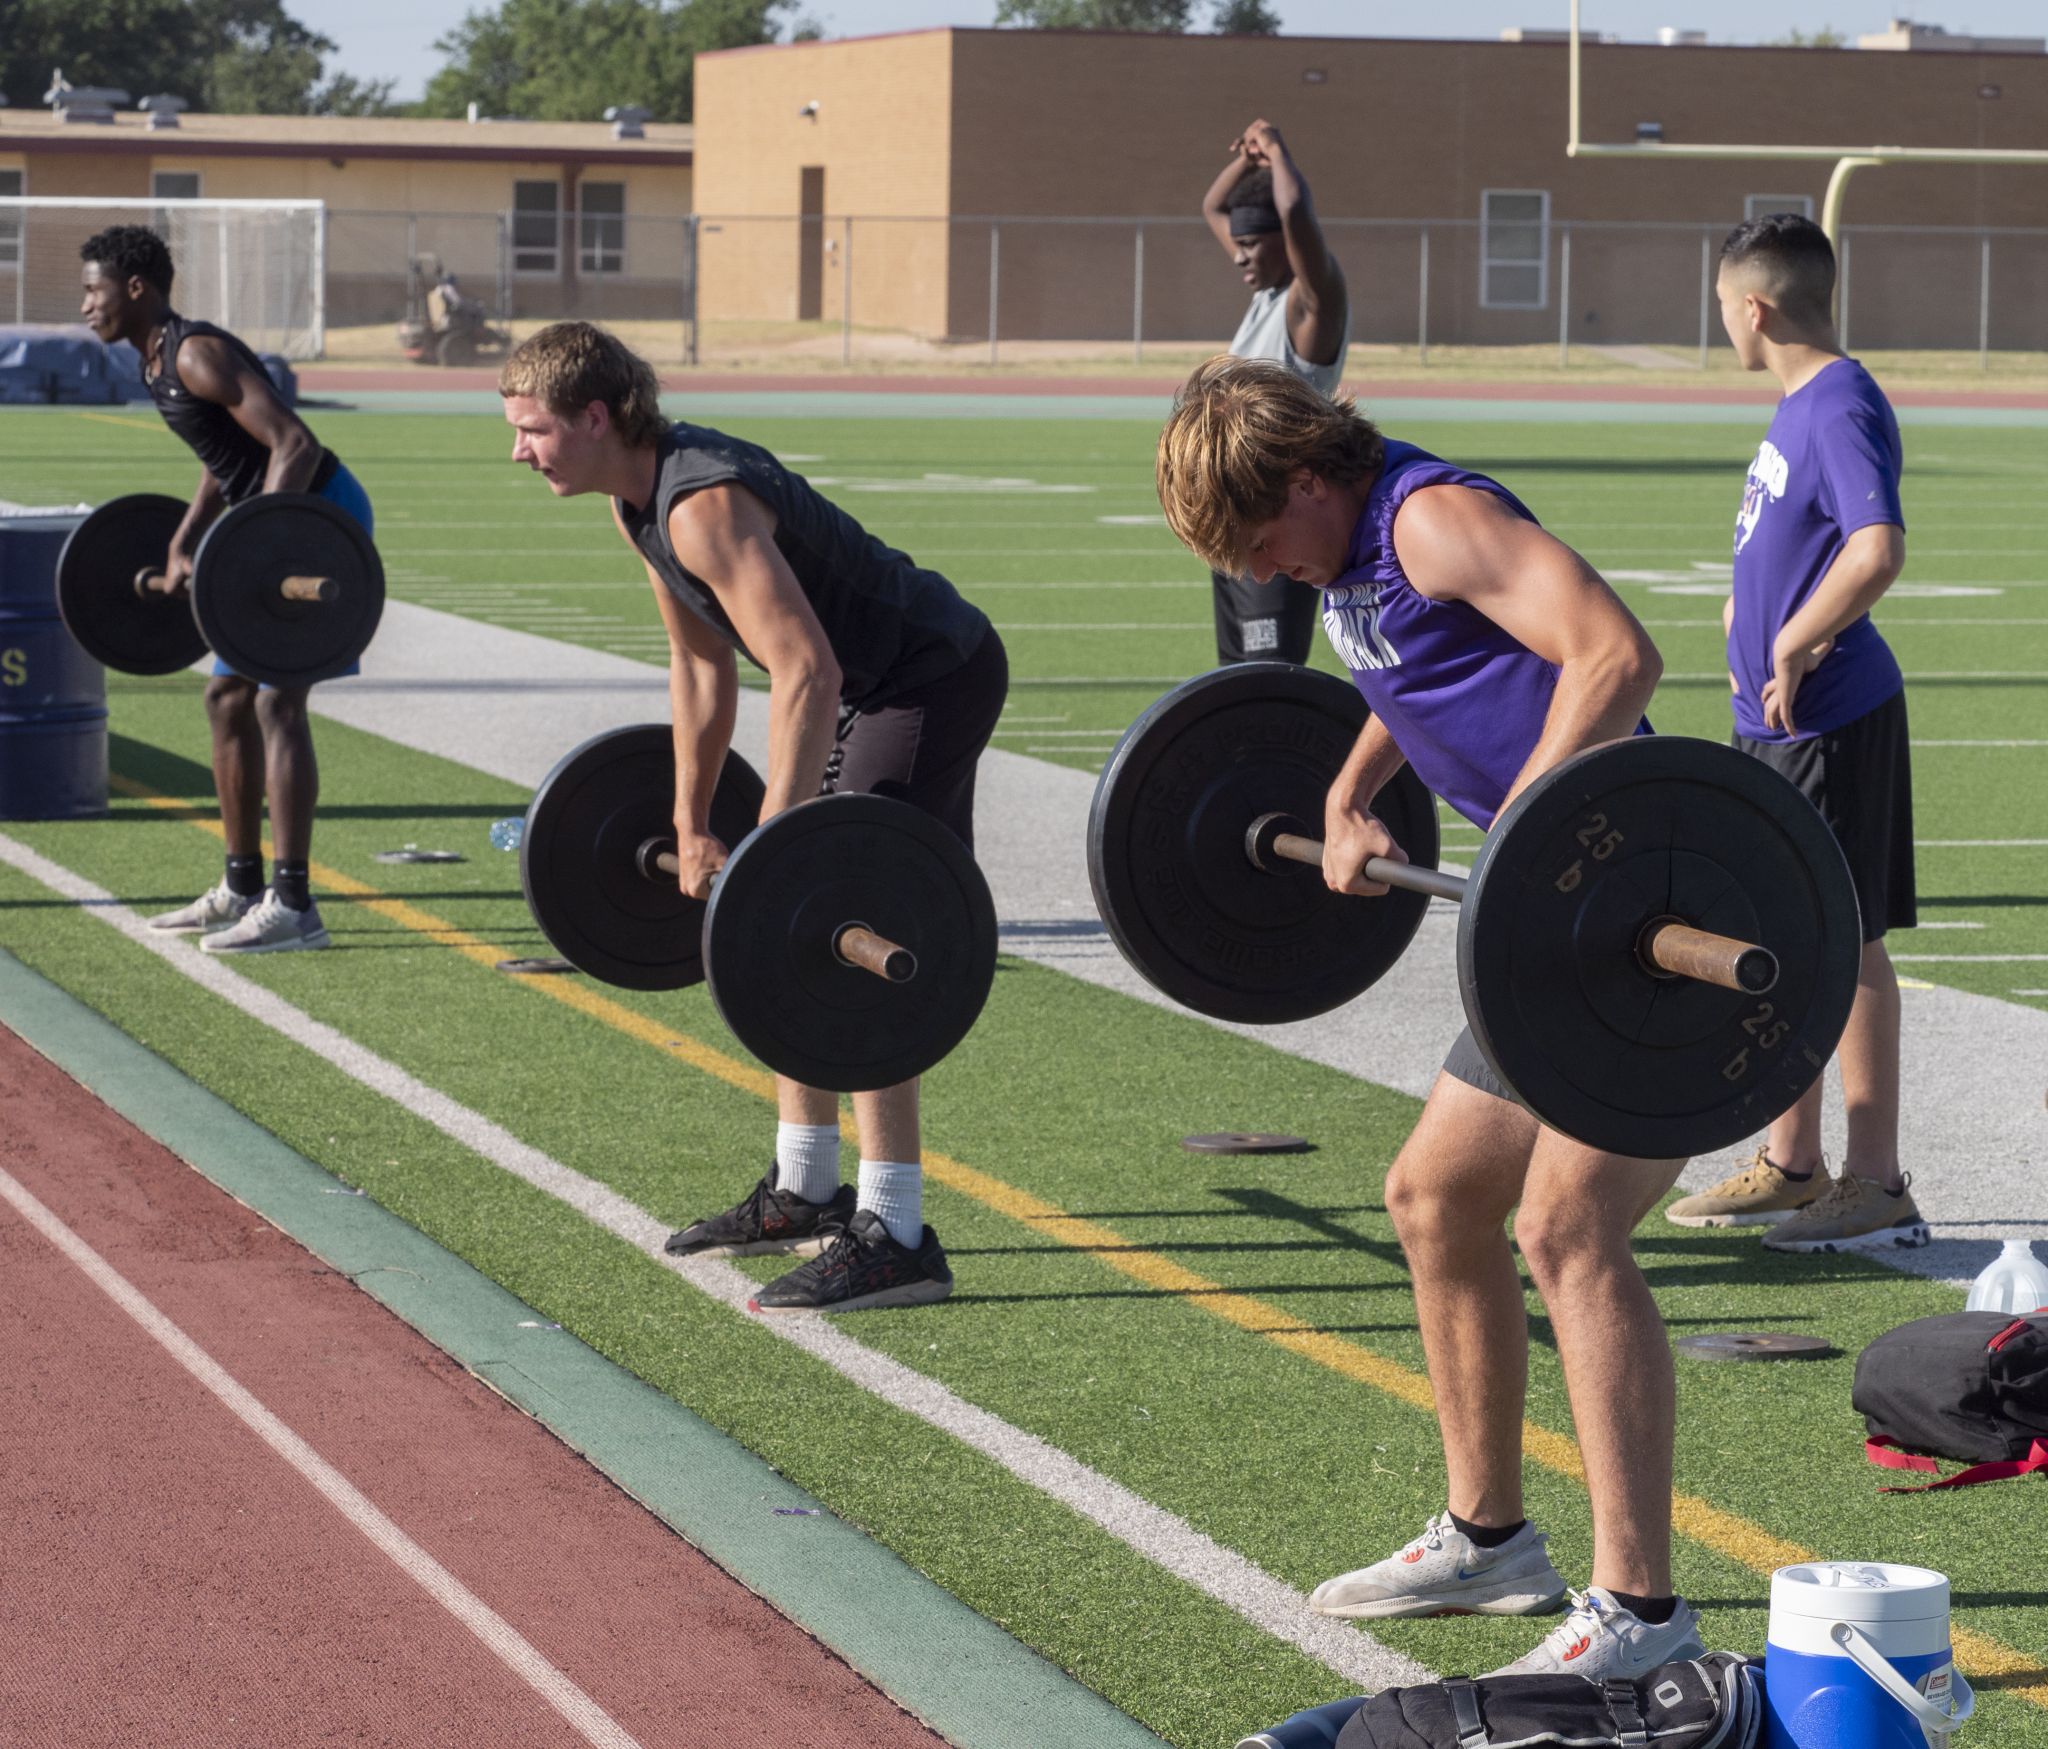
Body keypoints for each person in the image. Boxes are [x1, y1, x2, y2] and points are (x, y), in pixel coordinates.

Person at [1156, 356, 1702, 1682]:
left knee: (1565, 1230)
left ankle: (1641, 1616)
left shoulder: (1425, 519)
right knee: (1434, 1197)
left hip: (1655, 905)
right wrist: (1352, 787)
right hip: (1553, 920)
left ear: (1305, 479)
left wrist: (1521, 818)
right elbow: (1414, 675)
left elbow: (1617, 653)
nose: (1272, 573)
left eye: (1266, 540)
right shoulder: (1347, 560)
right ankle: (1490, 1537)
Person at [499, 321, 1006, 1313]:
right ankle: (805, 1187)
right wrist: (692, 819)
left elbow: (805, 666)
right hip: (850, 686)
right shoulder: (636, 506)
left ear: (595, 417)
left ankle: (896, 1232)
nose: (519, 450)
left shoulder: (702, 504)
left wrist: (778, 843)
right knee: (786, 923)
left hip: (923, 678)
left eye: (533, 430)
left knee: (849, 908)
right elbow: (700, 667)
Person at [1665, 214, 1928, 1254]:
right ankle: (1790, 1162)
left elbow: (1874, 547)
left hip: (1829, 723)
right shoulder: (1797, 405)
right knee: (1783, 933)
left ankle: (1874, 1180)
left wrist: (1796, 640)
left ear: (1751, 307)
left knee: (1844, 938)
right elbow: (1800, 541)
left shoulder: (1837, 402)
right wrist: (1750, 616)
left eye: (1720, 305)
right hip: (1773, 728)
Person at [79, 224, 370, 953]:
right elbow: (224, 450)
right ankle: (241, 886)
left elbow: (293, 444)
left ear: (136, 288)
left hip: (317, 511)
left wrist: (263, 543)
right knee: (225, 696)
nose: (85, 304)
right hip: (266, 519)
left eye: (95, 289)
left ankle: (295, 906)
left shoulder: (196, 352)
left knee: (277, 698)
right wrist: (186, 535)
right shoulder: (155, 364)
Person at [1198, 118, 1349, 667]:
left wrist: (1280, 150)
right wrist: (1249, 159)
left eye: (1249, 246)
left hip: (1281, 517)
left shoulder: (1310, 304)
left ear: (1284, 244)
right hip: (1240, 512)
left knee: (1271, 672)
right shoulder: (1263, 295)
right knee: (1237, 672)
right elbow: (1214, 209)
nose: (1238, 257)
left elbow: (1294, 214)